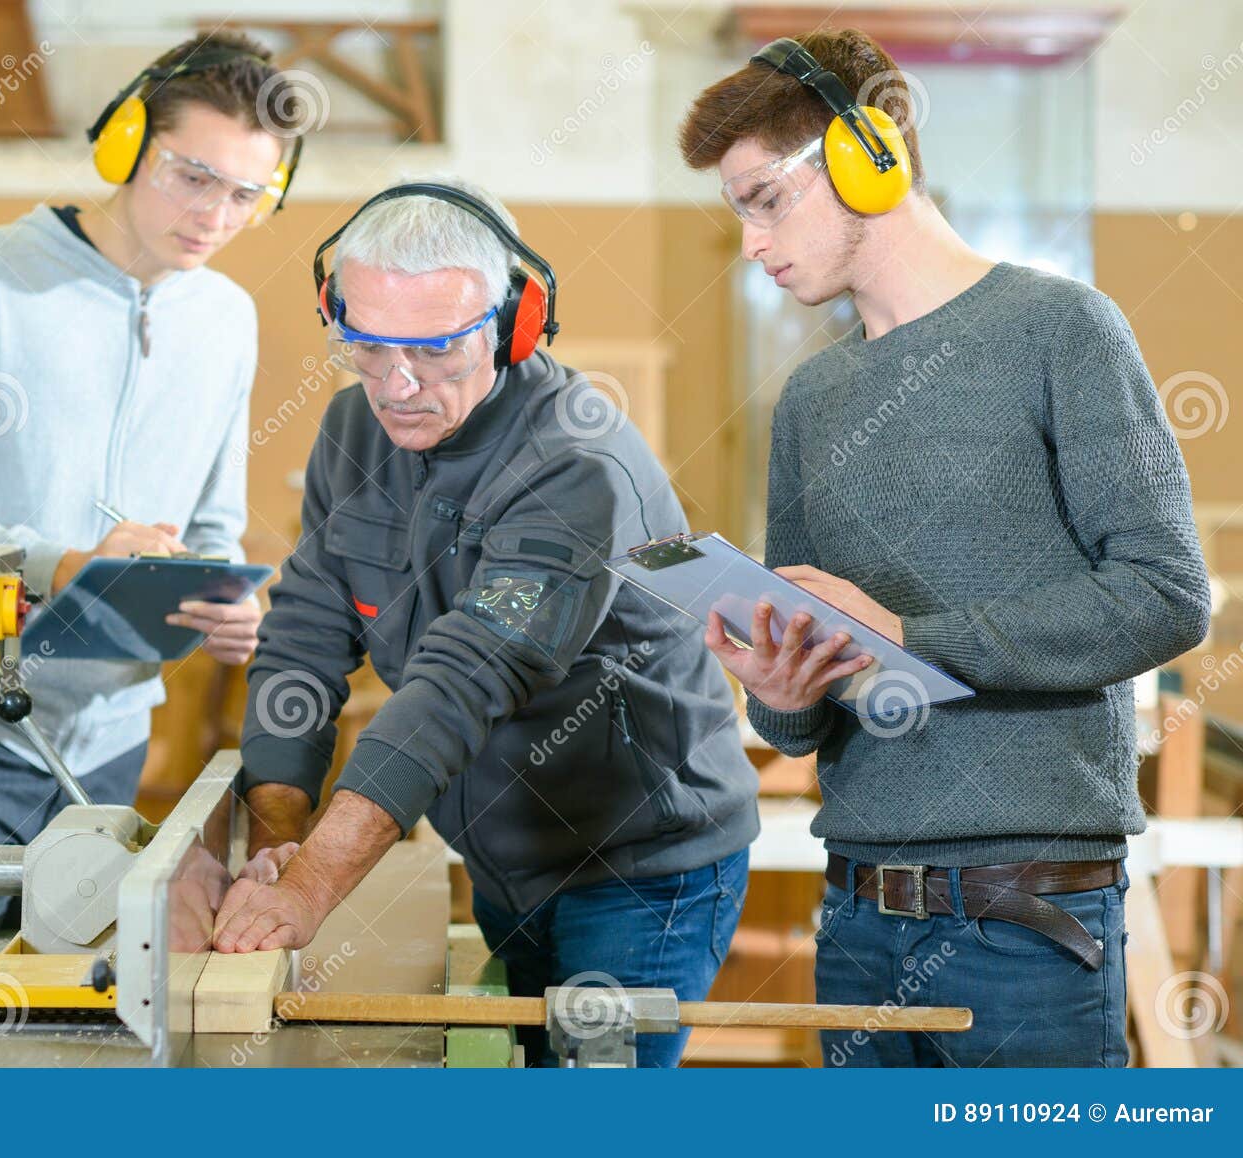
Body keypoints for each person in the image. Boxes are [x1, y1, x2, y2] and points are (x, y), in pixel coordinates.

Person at [679, 29, 1210, 1066]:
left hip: (1025, 923)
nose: (751, 242)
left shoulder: (1062, 329)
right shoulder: (811, 398)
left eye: (764, 199)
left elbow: (1164, 593)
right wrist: (782, 685)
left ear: (862, 157)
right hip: (859, 921)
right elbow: (791, 728)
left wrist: (915, 637)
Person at [212, 176, 760, 1068]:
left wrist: (312, 888)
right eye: (365, 344)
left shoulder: (576, 462)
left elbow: (463, 682)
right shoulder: (355, 428)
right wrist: (277, 838)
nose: (397, 385)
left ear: (515, 324)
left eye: (434, 350)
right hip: (506, 860)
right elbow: (307, 630)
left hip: (639, 869)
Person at [0, 32, 304, 937]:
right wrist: (64, 565)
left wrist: (223, 601)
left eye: (247, 195)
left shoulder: (226, 318)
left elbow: (212, 524)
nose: (216, 215)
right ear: (126, 142)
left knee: (80, 992)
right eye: (193, 177)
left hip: (113, 729)